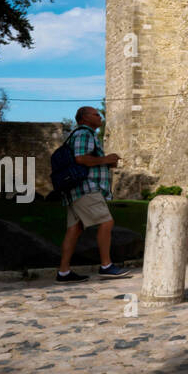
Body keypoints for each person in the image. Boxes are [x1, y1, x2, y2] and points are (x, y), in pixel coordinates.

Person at [56, 105, 132, 281]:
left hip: (74, 190)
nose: (100, 117)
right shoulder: (84, 133)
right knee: (107, 222)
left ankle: (64, 272)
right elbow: (80, 158)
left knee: (74, 229)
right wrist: (106, 159)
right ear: (84, 118)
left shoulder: (80, 135)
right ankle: (106, 266)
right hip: (86, 188)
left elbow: (84, 159)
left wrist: (106, 162)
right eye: (95, 114)